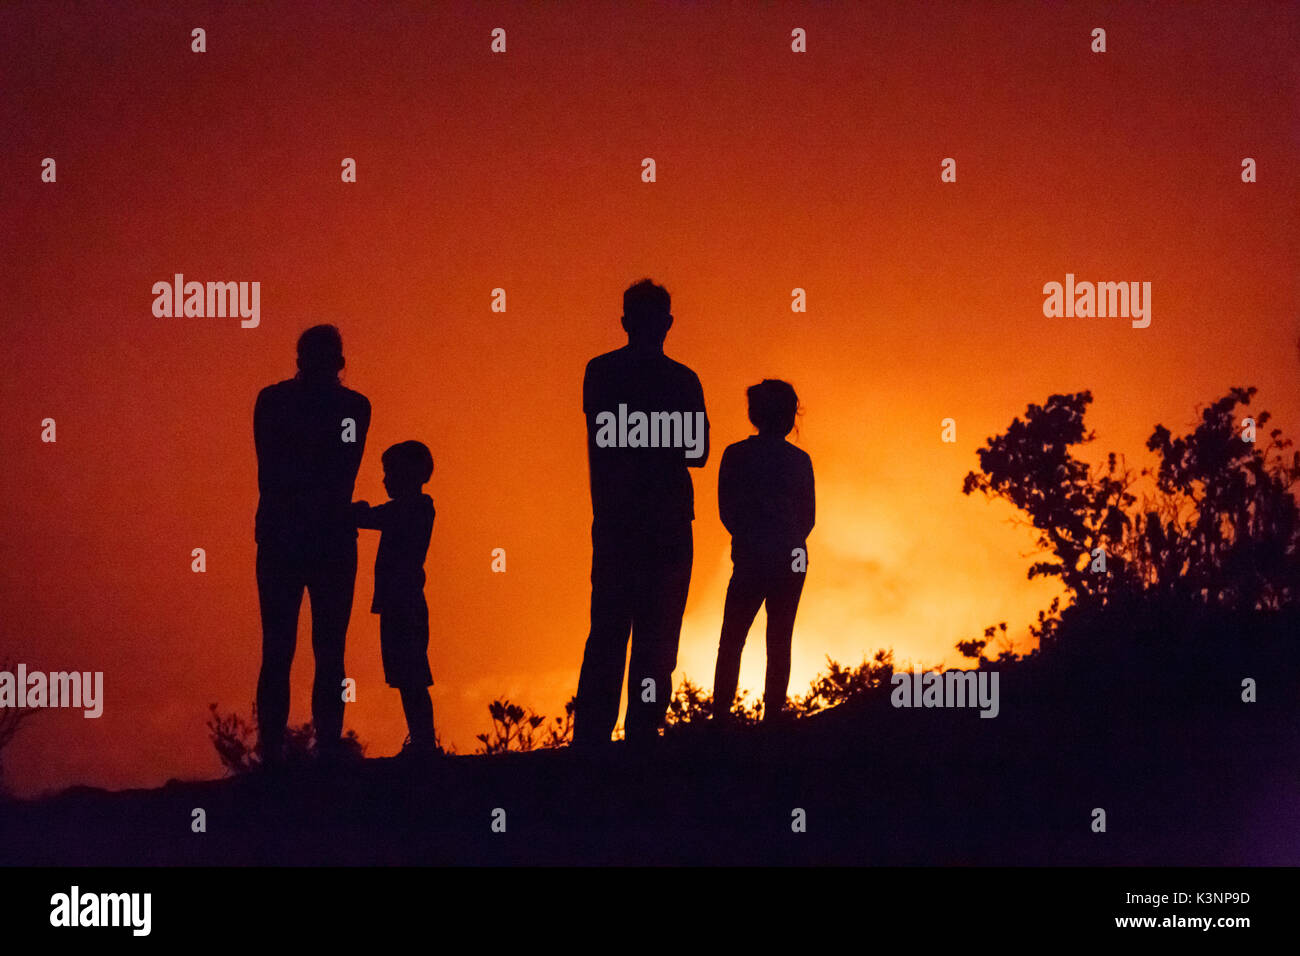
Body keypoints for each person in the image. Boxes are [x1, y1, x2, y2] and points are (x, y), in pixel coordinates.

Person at [575, 278, 709, 747]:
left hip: (619, 520)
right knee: (655, 634)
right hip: (664, 521)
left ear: (625, 322)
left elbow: (613, 434)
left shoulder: (602, 372)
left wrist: (640, 430)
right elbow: (694, 448)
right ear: (667, 323)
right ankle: (641, 733)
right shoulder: (682, 380)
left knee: (611, 630)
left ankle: (595, 736)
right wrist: (665, 430)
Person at [254, 325, 370, 765]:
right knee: (318, 648)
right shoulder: (352, 408)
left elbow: (275, 471)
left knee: (288, 647)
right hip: (325, 536)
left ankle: (279, 751)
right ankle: (314, 749)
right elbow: (338, 470)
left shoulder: (274, 402)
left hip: (289, 534)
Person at [711, 379, 814, 725]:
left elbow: (727, 510)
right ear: (788, 417)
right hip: (790, 557)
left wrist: (750, 537)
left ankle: (721, 717)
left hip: (752, 556)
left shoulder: (736, 455)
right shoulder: (799, 461)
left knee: (732, 638)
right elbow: (808, 517)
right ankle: (772, 717)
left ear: (755, 414)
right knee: (779, 638)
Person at [353, 441, 438, 759]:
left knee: (412, 675)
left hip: (406, 604)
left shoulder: (416, 508)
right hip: (399, 603)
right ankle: (421, 741)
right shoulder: (411, 508)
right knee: (407, 676)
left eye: (390, 472)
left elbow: (373, 518)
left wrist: (355, 511)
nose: (385, 480)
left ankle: (424, 742)